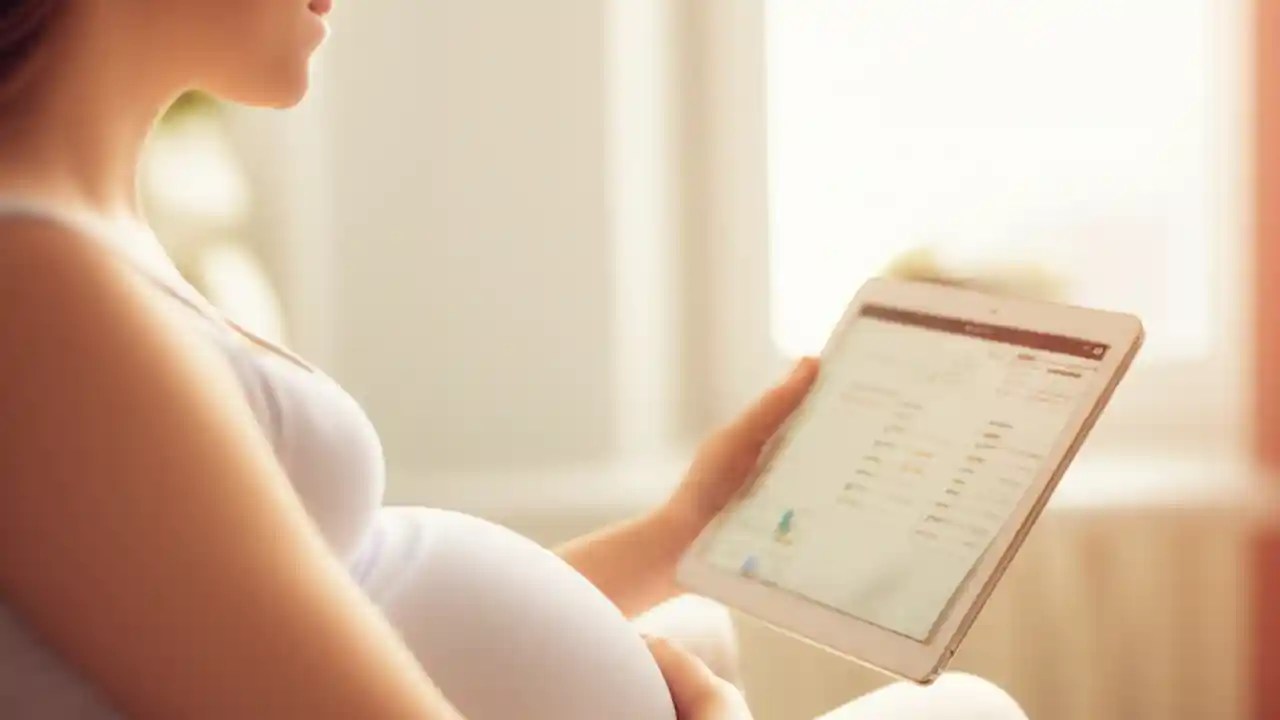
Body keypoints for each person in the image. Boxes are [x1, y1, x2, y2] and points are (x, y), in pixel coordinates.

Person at [0, 1, 1027, 718]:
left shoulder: (85, 246)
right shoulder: (33, 294)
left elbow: (321, 618)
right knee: (970, 709)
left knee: (709, 624)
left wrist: (678, 536)